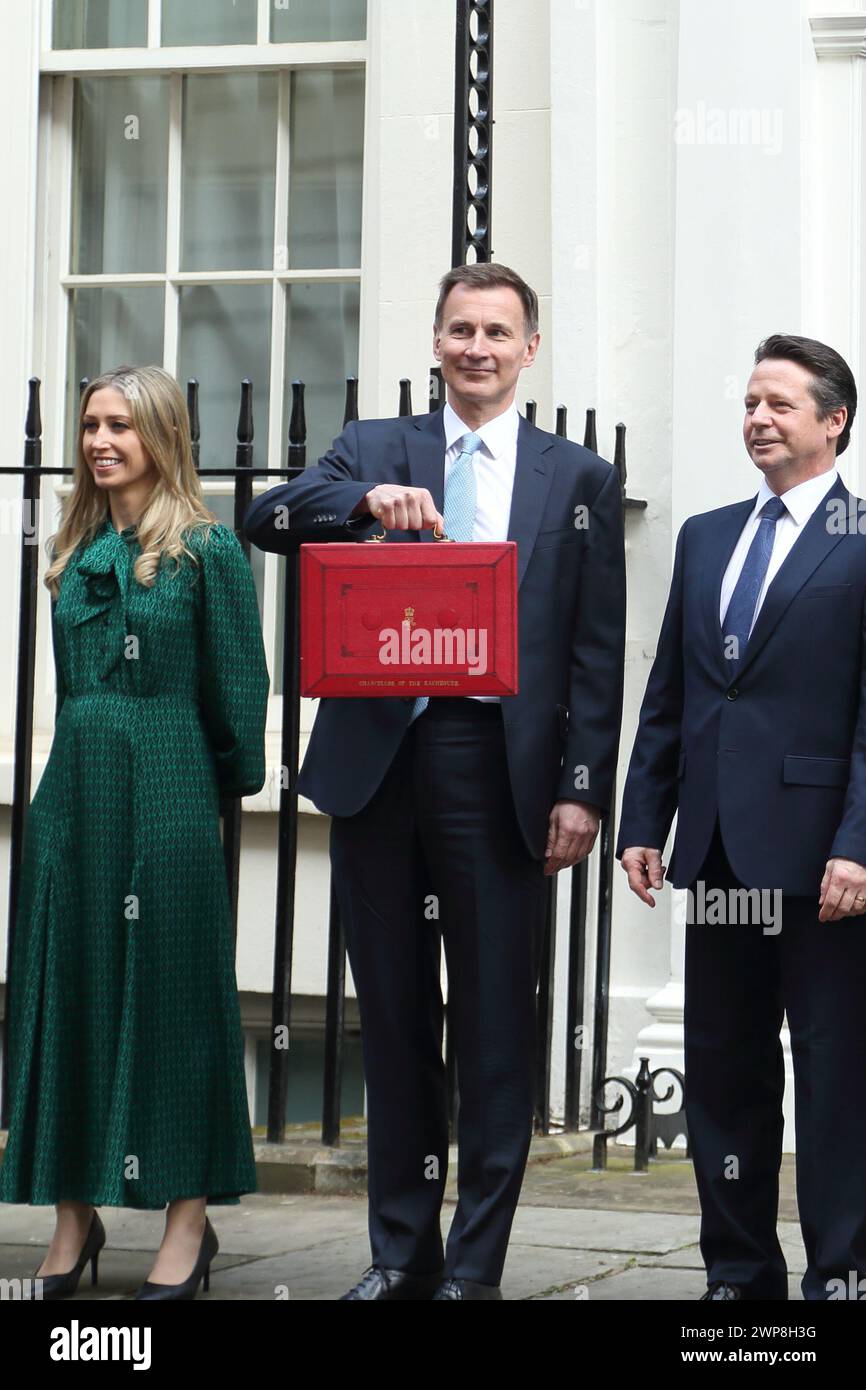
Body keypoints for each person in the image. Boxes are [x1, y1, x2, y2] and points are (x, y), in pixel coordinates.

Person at [245, 262, 626, 1300]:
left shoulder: (576, 479)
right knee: (398, 1020)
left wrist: (582, 788)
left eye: (497, 332)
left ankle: (472, 1271)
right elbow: (266, 519)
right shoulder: (375, 445)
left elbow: (595, 654)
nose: (476, 349)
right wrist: (361, 499)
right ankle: (398, 1257)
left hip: (497, 775)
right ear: (435, 341)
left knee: (496, 1031)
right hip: (381, 767)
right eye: (460, 329)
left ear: (527, 350)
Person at [0, 365, 269, 1301]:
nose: (99, 441)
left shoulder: (207, 550)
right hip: (73, 797)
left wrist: (206, 793)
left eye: (120, 425)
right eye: (88, 426)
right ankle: (74, 1218)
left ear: (162, 435)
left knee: (172, 1005)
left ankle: (187, 1226)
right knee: (68, 994)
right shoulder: (74, 553)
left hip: (169, 794)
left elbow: (240, 696)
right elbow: (73, 690)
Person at [617, 334, 866, 1301]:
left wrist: (857, 845)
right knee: (725, 1073)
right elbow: (673, 691)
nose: (758, 419)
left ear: (833, 422)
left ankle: (840, 1272)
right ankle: (739, 1275)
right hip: (718, 855)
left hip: (823, 868)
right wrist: (646, 818)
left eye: (781, 405)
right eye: (752, 402)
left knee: (837, 1074)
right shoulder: (708, 534)